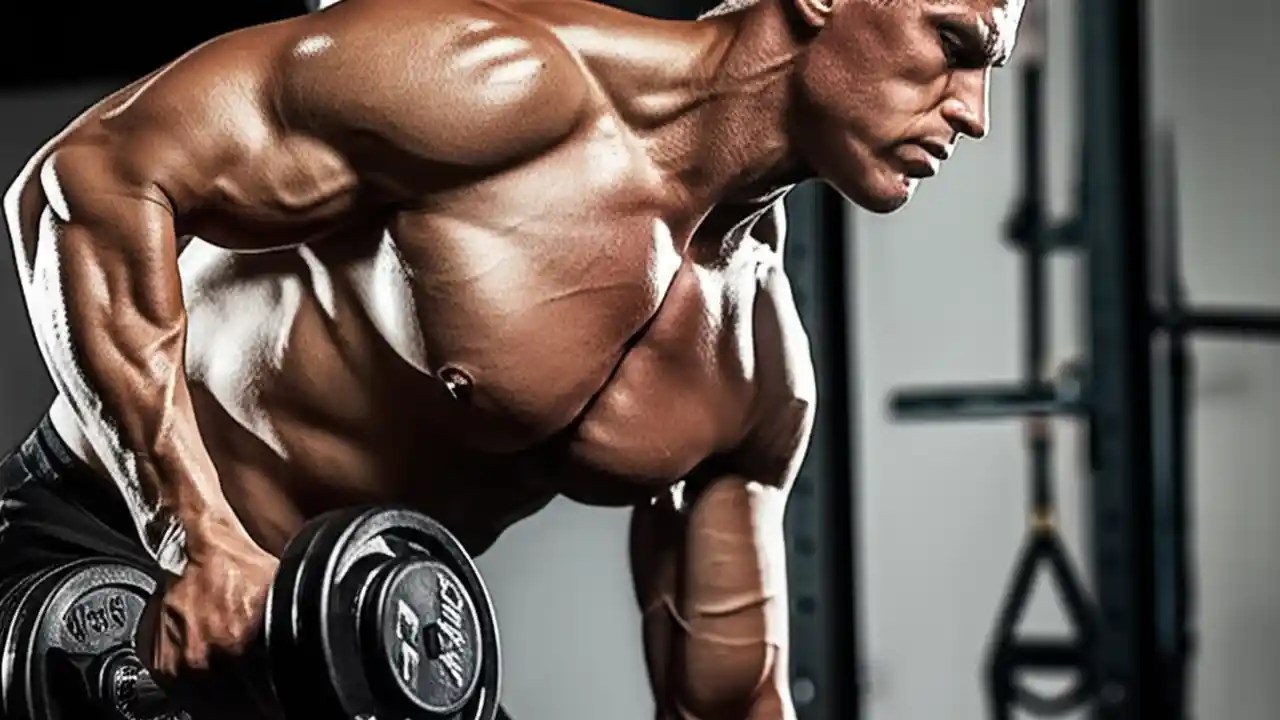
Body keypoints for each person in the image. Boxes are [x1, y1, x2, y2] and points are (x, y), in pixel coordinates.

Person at [1, 0, 1024, 716]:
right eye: (953, 43)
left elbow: (725, 699)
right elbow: (82, 184)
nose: (973, 113)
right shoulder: (498, 83)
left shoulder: (756, 367)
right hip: (103, 549)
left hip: (346, 655)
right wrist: (196, 536)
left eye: (989, 69)